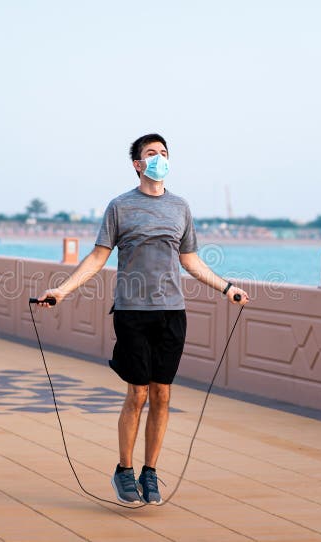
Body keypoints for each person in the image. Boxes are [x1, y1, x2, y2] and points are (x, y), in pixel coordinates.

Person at [36, 133, 248, 505]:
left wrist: (226, 287)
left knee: (162, 395)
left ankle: (150, 472)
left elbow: (190, 260)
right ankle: (124, 470)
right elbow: (98, 257)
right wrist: (62, 290)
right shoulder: (120, 207)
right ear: (138, 164)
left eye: (164, 153)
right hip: (132, 313)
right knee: (137, 393)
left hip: (171, 313)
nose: (159, 158)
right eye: (151, 154)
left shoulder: (180, 208)